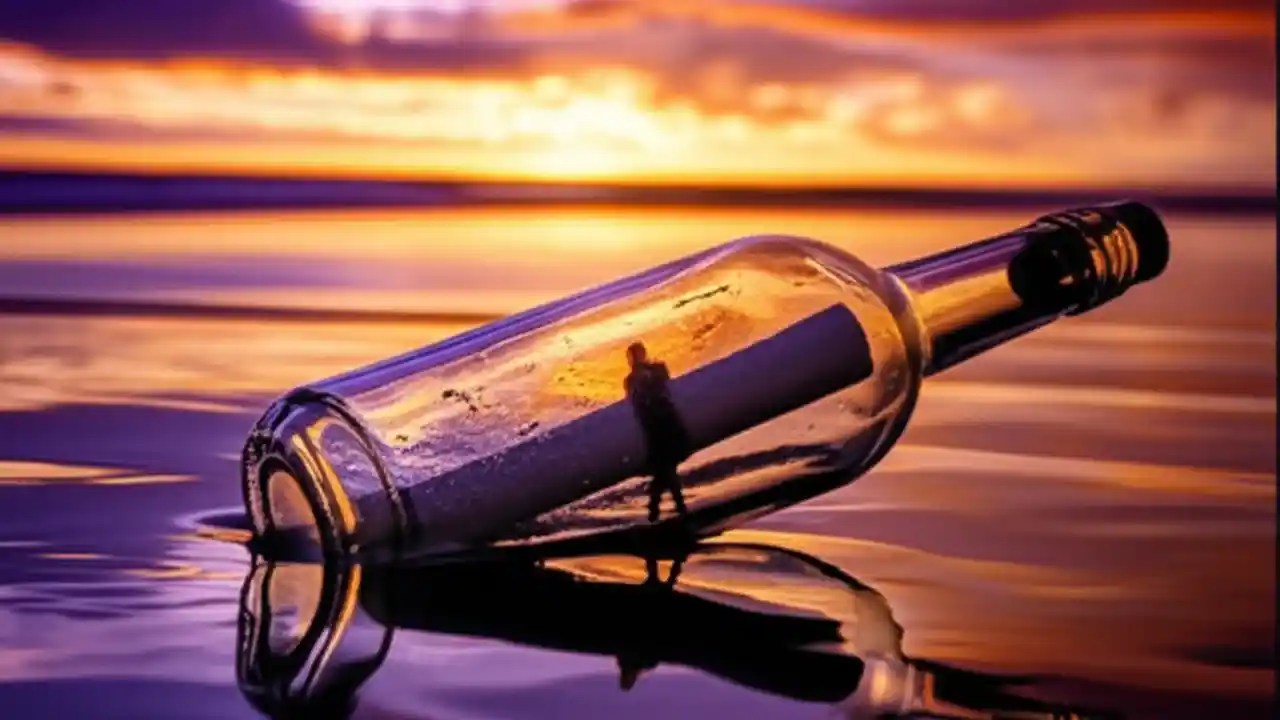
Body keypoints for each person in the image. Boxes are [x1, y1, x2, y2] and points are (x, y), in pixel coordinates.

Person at [623, 341, 691, 523]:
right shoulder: (631, 380)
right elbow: (635, 400)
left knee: (665, 467)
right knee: (665, 468)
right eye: (633, 356)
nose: (635, 360)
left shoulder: (657, 369)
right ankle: (671, 508)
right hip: (653, 427)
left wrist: (650, 374)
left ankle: (659, 508)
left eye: (638, 355)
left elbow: (665, 383)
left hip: (666, 422)